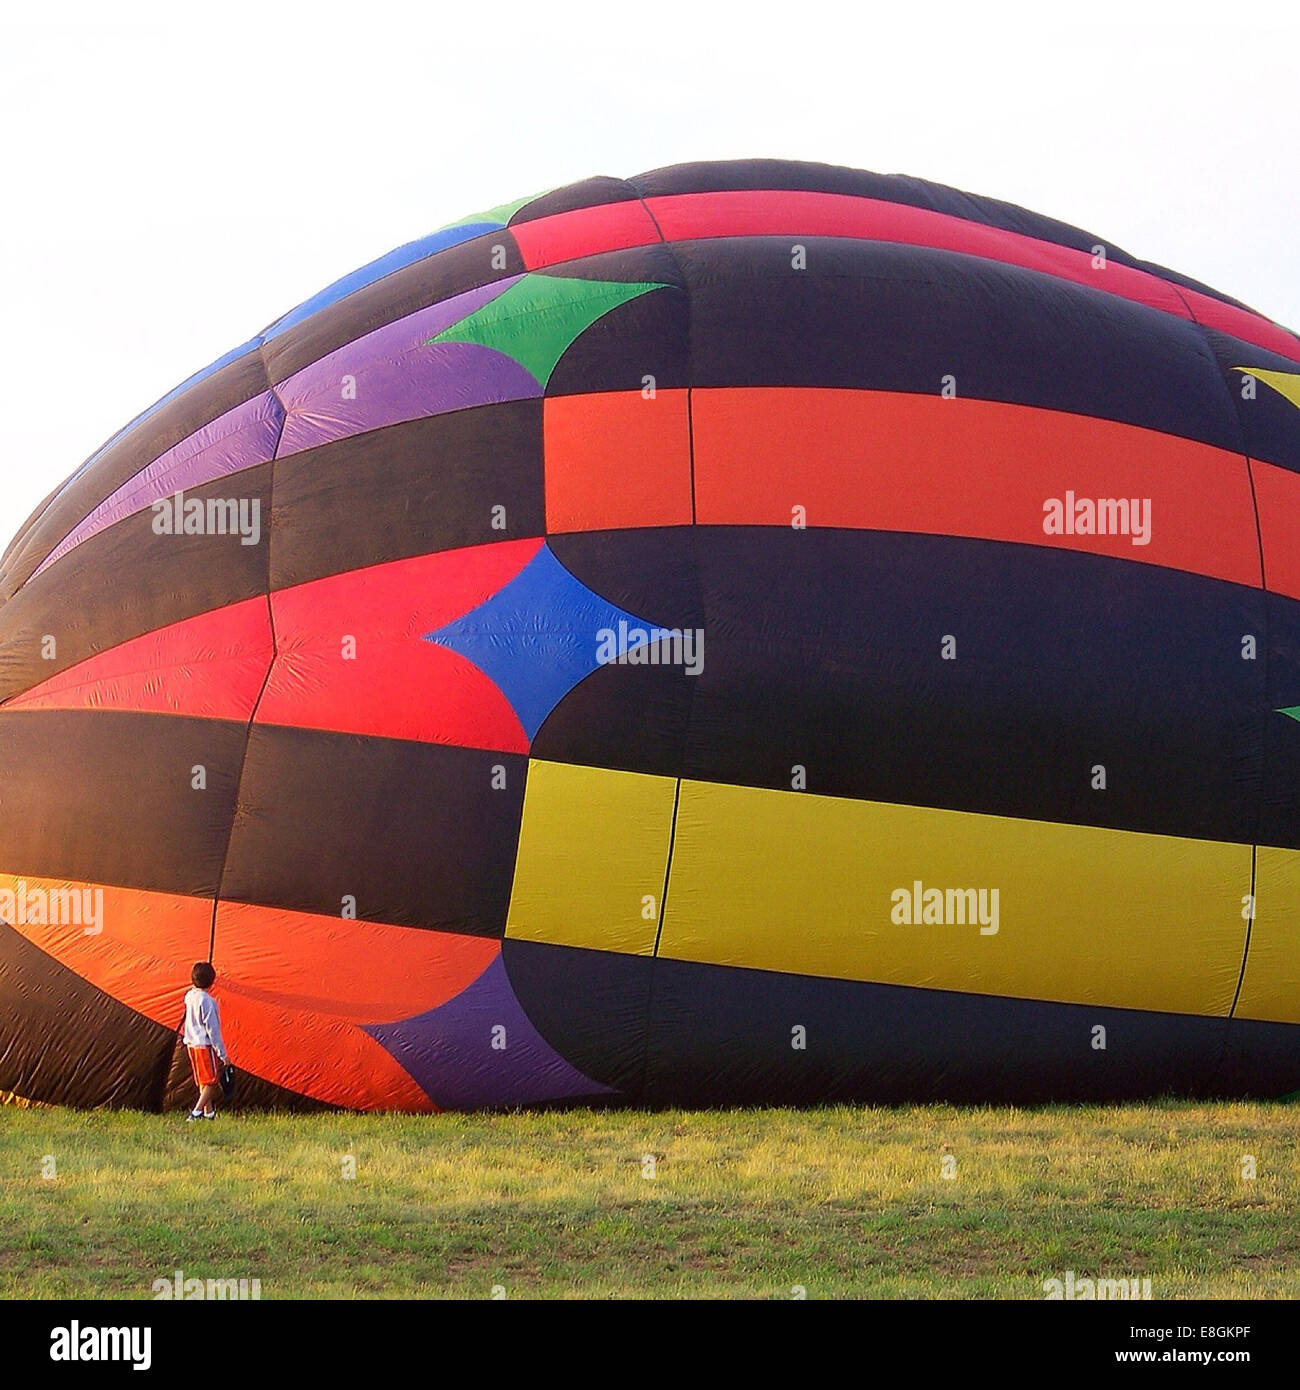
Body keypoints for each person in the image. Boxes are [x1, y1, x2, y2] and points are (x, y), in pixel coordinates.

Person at [183, 961, 228, 1121]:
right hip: (205, 1045)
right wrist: (222, 1053)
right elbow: (213, 1030)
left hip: (191, 1043)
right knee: (211, 1081)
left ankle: (209, 1113)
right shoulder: (208, 1001)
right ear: (212, 981)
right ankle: (196, 1112)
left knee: (203, 1079)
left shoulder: (189, 996)